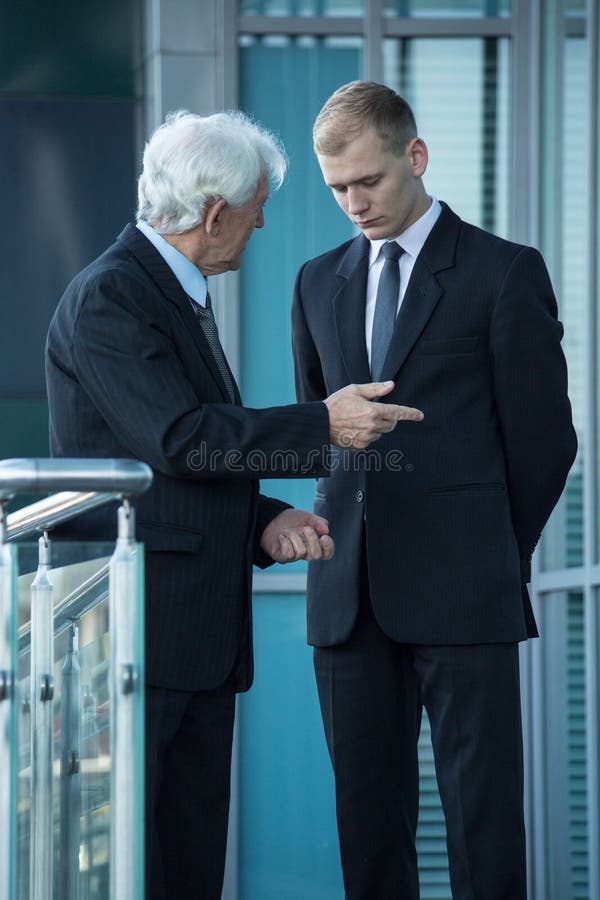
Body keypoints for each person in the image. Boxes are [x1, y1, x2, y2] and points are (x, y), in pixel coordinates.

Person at [45, 108, 424, 900]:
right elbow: (182, 438)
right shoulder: (112, 296)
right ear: (215, 215)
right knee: (135, 870)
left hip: (189, 639)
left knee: (186, 869)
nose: (259, 229)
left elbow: (175, 460)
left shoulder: (167, 292)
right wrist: (328, 424)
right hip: (136, 640)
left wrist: (266, 523)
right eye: (255, 215)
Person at [291, 81, 577, 900]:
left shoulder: (501, 272)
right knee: (367, 829)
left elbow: (545, 442)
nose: (353, 203)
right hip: (348, 598)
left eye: (368, 182)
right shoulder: (316, 282)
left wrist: (488, 548)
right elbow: (326, 432)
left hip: (465, 593)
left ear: (415, 157)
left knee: (483, 825)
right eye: (337, 187)